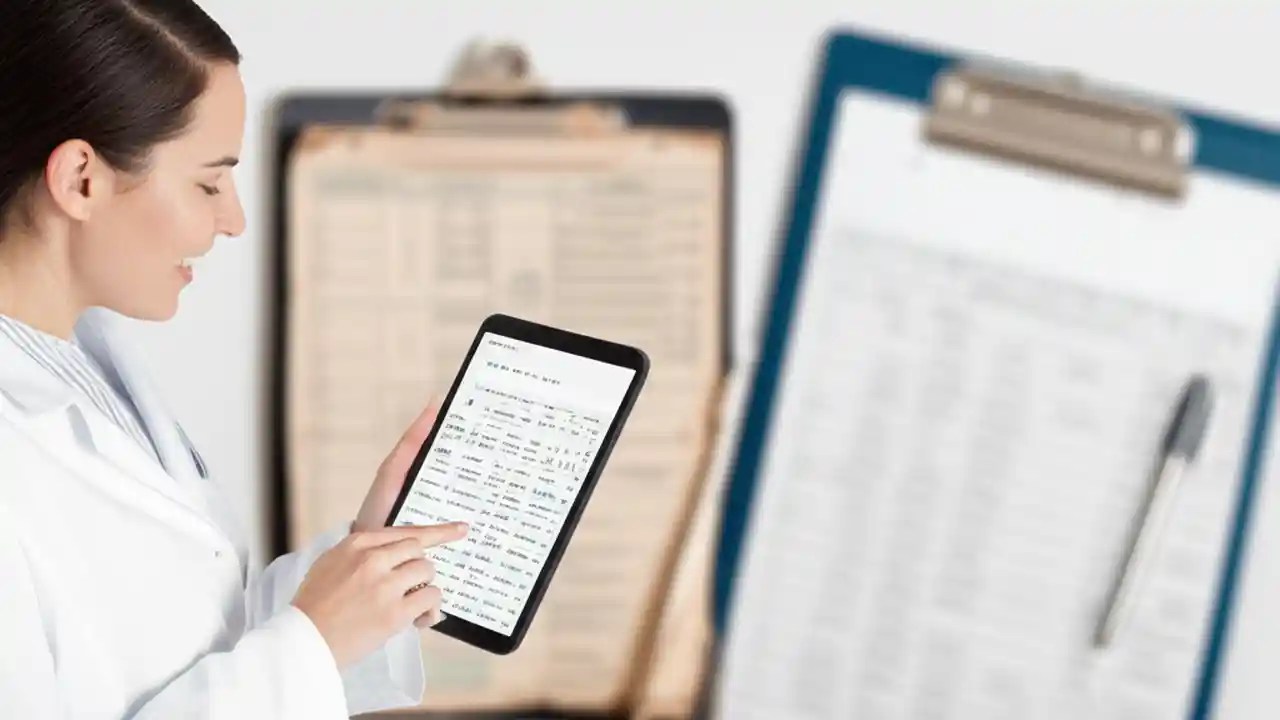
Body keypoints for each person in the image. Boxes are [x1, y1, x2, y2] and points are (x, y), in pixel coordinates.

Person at [0, 1, 469, 717]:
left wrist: (363, 564)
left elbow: (196, 641)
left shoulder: (94, 368)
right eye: (208, 183)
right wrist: (312, 641)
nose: (234, 220)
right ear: (81, 181)